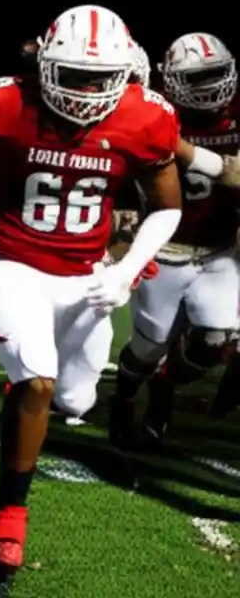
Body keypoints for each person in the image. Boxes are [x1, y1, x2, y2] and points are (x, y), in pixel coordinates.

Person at [0, 5, 184, 572]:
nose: (86, 92)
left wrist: (126, 269)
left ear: (125, 73)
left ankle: (27, 398)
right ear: (42, 64)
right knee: (36, 378)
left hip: (86, 276)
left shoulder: (146, 117)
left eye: (100, 78)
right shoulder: (4, 102)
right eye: (74, 75)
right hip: (10, 262)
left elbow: (166, 206)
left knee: (75, 400)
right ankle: (11, 515)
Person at [110, 32, 240, 448]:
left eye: (216, 73)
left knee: (215, 340)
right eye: (199, 77)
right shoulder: (155, 111)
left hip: (219, 249)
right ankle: (124, 398)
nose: (210, 85)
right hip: (165, 249)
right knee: (147, 347)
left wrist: (185, 150)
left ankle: (166, 383)